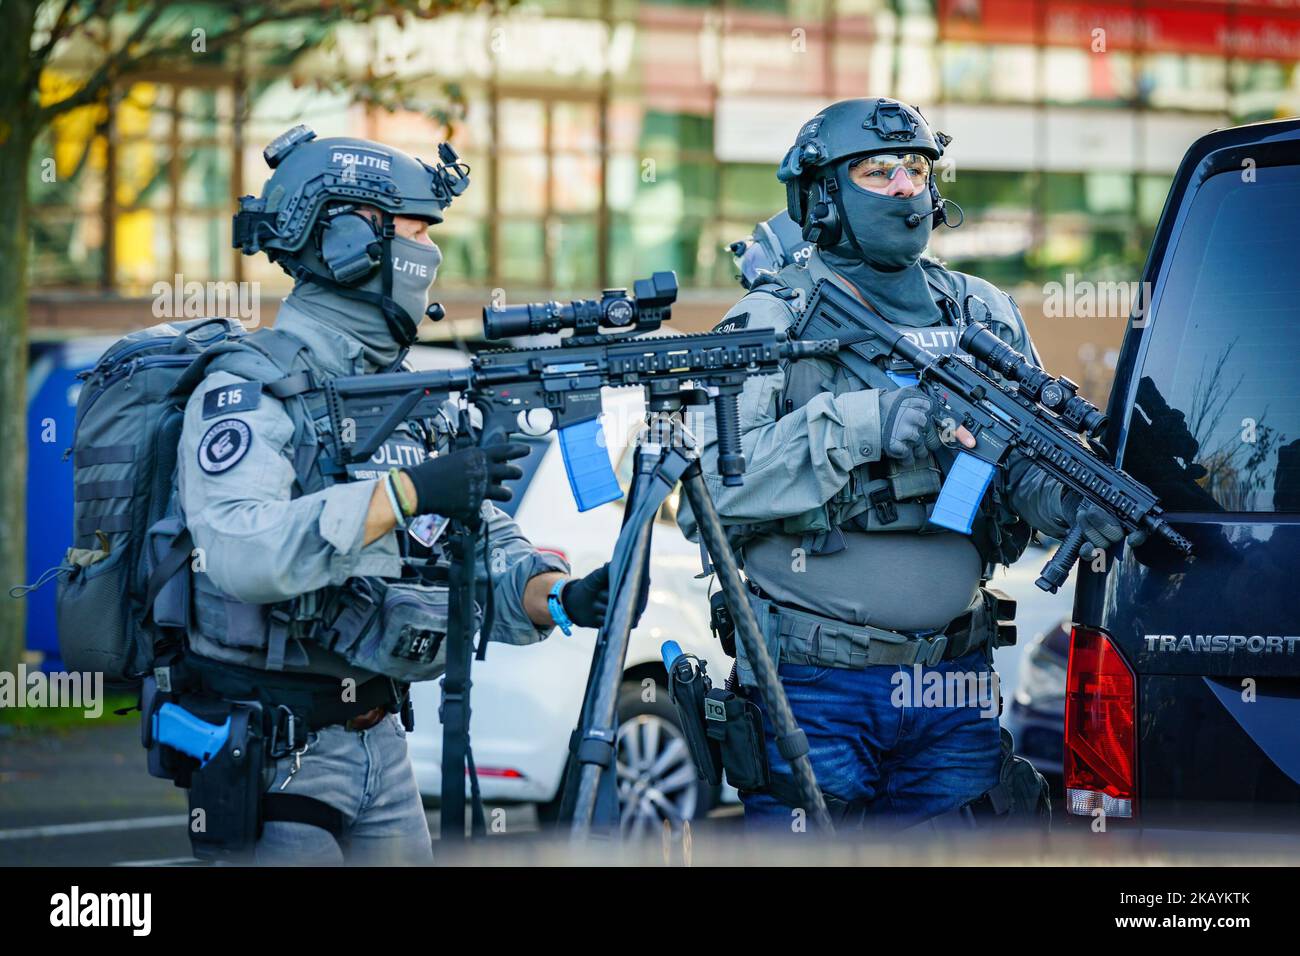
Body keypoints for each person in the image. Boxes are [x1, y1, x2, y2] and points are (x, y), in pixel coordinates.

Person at [679, 98, 1139, 828]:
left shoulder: (981, 315)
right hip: (811, 686)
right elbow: (706, 486)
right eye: (879, 170)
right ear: (823, 197)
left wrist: (1067, 499)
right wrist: (867, 424)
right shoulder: (771, 322)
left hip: (954, 684)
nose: (905, 186)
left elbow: (1027, 463)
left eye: (917, 168)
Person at [174, 126, 611, 864]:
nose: (429, 253)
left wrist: (560, 596)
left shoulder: (417, 396)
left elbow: (481, 546)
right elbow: (244, 552)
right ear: (349, 240)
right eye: (416, 229)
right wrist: (406, 492)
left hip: (383, 739)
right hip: (278, 747)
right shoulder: (248, 389)